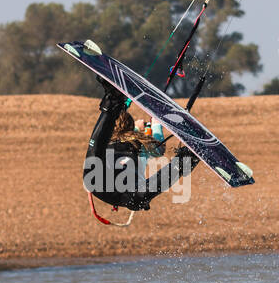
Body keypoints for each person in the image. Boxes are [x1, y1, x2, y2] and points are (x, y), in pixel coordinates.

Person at [83, 78, 198, 212]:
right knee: (139, 196)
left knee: (94, 154)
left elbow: (118, 133)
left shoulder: (109, 139)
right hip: (120, 191)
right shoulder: (138, 141)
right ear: (131, 128)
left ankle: (112, 100)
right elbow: (158, 150)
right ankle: (188, 158)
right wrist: (156, 125)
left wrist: (140, 127)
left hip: (105, 188)